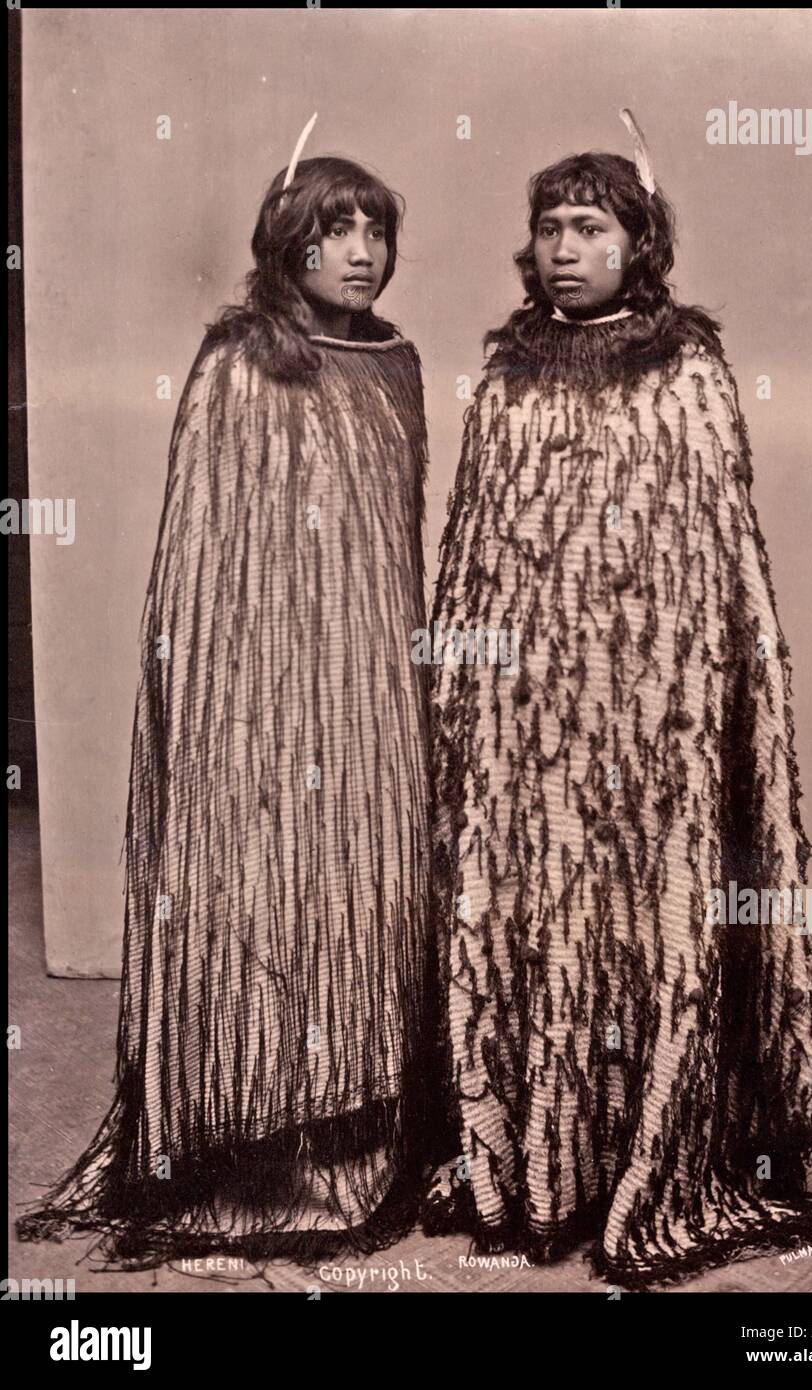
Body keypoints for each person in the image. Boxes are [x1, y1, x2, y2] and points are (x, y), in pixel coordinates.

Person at [423, 114, 812, 1288]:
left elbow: (719, 565)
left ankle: (640, 1156)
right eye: (548, 227)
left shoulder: (691, 375)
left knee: (642, 935)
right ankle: (535, 1163)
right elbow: (474, 558)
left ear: (636, 241)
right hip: (527, 733)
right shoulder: (504, 376)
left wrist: (681, 703)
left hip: (651, 732)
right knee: (537, 933)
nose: (564, 248)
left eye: (590, 226)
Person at [16, 127, 439, 1270]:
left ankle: (352, 1145)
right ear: (284, 247)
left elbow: (393, 547)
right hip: (257, 698)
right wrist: (223, 713)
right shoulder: (237, 364)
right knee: (264, 910)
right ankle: (250, 1152)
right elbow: (199, 560)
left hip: (369, 696)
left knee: (365, 905)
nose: (359, 252)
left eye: (373, 230)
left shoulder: (396, 366)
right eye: (332, 231)